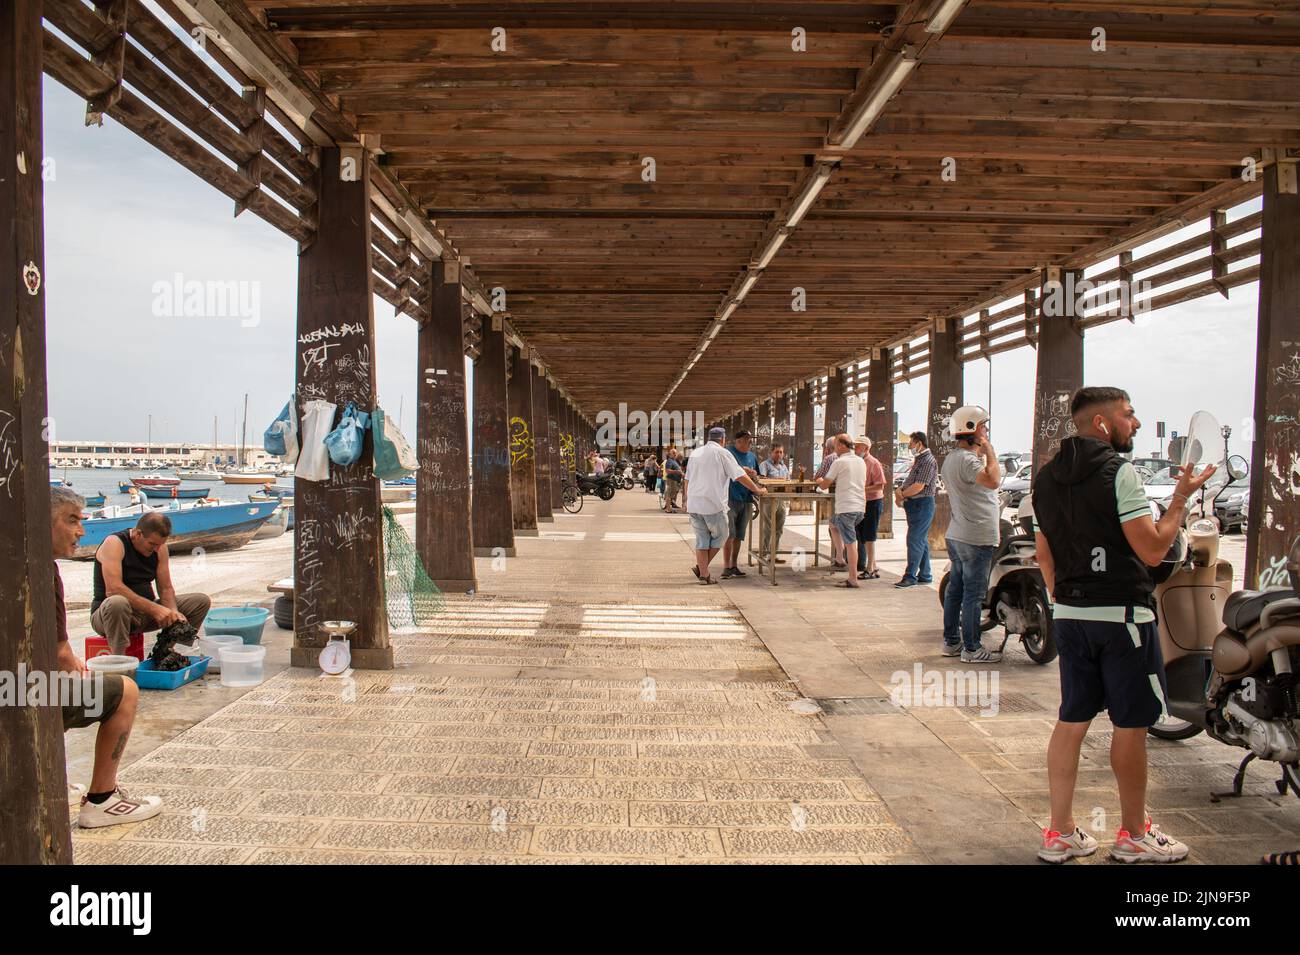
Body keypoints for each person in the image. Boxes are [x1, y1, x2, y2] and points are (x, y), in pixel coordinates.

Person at [1033, 387, 1217, 864]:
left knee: (1071, 720)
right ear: (1101, 423)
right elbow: (1153, 550)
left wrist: (1064, 596)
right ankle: (1134, 833)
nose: (1134, 424)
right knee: (1131, 725)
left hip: (1071, 617)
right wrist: (1178, 501)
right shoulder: (1120, 473)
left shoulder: (1045, 479)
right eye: (1128, 415)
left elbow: (1044, 553)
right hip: (1124, 620)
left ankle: (1060, 833)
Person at [49, 487, 164, 827]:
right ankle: (101, 799)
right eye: (72, 520)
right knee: (123, 691)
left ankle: (57, 781)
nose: (81, 531)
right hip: (18, 692)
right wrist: (76, 670)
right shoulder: (44, 571)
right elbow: (60, 655)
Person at [89, 511, 211, 654]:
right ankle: (119, 659)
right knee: (117, 602)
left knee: (200, 601)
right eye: (152, 544)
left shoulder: (160, 548)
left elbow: (165, 589)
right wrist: (155, 609)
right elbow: (113, 589)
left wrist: (173, 611)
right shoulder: (115, 543)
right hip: (110, 616)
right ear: (138, 534)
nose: (156, 549)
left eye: (160, 545)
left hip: (144, 615)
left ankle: (168, 653)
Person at [940, 407, 1003, 662]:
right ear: (972, 429)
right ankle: (972, 648)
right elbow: (993, 481)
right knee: (973, 595)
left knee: (956, 590)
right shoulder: (967, 460)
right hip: (975, 536)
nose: (986, 431)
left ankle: (951, 642)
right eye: (983, 427)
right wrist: (990, 454)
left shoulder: (951, 459)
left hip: (958, 533)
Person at [684, 427, 765, 585]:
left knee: (702, 540)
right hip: (712, 505)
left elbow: (687, 478)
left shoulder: (695, 453)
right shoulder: (722, 453)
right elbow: (740, 475)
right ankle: (702, 569)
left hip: (694, 505)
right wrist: (757, 489)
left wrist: (686, 498)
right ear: (722, 440)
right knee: (722, 536)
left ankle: (704, 575)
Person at [817, 434, 867, 587]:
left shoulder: (839, 462)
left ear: (841, 446)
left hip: (846, 507)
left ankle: (852, 579)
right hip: (859, 507)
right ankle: (839, 557)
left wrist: (819, 481)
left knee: (851, 543)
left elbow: (825, 484)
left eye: (836, 445)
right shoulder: (860, 461)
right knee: (833, 524)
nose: (834, 449)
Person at [894, 431, 937, 588]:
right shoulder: (919, 460)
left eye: (911, 443)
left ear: (919, 443)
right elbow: (910, 481)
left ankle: (910, 576)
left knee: (914, 540)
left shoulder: (927, 461)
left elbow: (919, 486)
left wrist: (902, 495)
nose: (910, 446)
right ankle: (925, 574)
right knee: (921, 540)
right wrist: (901, 492)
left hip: (922, 504)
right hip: (914, 504)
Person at [722, 430, 760, 579]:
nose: (750, 444)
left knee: (739, 535)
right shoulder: (728, 453)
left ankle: (734, 565)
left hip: (746, 498)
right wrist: (741, 470)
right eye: (747, 441)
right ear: (738, 441)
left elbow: (757, 474)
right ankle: (726, 566)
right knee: (729, 534)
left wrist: (754, 475)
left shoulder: (751, 456)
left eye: (750, 441)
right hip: (730, 497)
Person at [853, 436, 887, 580]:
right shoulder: (858, 462)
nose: (855, 449)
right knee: (863, 535)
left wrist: (862, 489)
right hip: (862, 501)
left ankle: (870, 569)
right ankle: (873, 566)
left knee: (870, 535)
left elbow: (880, 484)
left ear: (866, 448)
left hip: (872, 502)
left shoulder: (873, 463)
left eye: (858, 446)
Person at [813, 438, 845, 567]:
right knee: (849, 530)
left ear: (827, 448)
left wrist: (821, 481)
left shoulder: (829, 458)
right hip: (853, 499)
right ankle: (851, 560)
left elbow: (818, 477)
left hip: (837, 496)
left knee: (834, 527)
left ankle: (839, 557)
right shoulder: (854, 460)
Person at [758, 443, 790, 563]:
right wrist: (778, 480)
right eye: (776, 452)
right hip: (769, 499)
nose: (779, 454)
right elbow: (761, 479)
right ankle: (765, 554)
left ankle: (773, 554)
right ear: (771, 452)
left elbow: (788, 480)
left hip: (781, 498)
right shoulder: (765, 465)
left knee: (779, 528)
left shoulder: (783, 466)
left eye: (781, 452)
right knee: (768, 527)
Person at [663, 448, 684, 512]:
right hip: (671, 480)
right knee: (669, 494)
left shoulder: (674, 461)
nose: (675, 454)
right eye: (673, 453)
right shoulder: (669, 461)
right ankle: (668, 509)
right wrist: (676, 472)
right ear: (670, 454)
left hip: (674, 480)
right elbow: (667, 470)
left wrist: (681, 473)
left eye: (676, 453)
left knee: (671, 494)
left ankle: (668, 507)